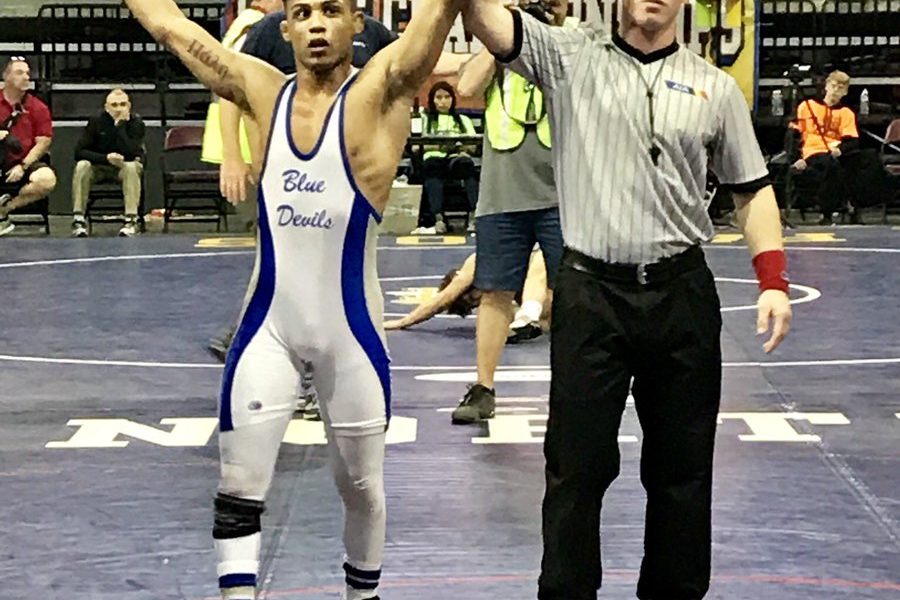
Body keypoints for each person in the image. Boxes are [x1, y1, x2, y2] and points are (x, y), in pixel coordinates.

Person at [122, 1, 463, 600]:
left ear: (357, 24)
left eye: (331, 10)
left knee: (361, 488)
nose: (317, 24)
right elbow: (172, 27)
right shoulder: (262, 90)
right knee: (238, 487)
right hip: (268, 327)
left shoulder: (381, 91)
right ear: (285, 30)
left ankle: (362, 596)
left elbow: (432, 25)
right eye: (302, 12)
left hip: (350, 334)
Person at [462, 0, 793, 598]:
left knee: (682, 471)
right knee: (575, 467)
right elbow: (488, 21)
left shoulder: (714, 87)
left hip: (680, 294)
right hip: (592, 294)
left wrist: (771, 279)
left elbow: (752, 190)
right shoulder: (567, 56)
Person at [447, 0, 575, 425]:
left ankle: (577, 387)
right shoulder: (497, 46)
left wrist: (551, 28)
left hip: (564, 193)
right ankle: (483, 387)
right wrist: (508, 28)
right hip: (503, 193)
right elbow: (467, 87)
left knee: (575, 293)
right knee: (495, 291)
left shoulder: (574, 40)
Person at [384, 249, 550, 343]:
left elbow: (444, 299)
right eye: (474, 304)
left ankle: (527, 316)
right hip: (553, 286)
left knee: (540, 261)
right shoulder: (507, 294)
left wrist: (404, 321)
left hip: (546, 259)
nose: (479, 300)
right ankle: (526, 319)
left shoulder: (474, 265)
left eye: (472, 298)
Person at [71, 89, 146, 237]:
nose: (119, 109)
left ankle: (131, 220)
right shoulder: (96, 121)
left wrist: (120, 126)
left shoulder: (136, 123)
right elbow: (79, 152)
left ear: (129, 106)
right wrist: (106, 158)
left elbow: (133, 152)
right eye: (114, 105)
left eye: (123, 104)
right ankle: (78, 219)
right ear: (106, 107)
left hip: (124, 167)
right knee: (82, 165)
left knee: (132, 167)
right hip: (100, 166)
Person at [789, 70, 860, 225]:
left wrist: (840, 149)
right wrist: (797, 158)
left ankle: (855, 206)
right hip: (811, 152)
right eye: (833, 86)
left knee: (865, 160)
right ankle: (829, 211)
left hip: (833, 152)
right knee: (830, 165)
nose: (836, 91)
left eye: (840, 88)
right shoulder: (807, 106)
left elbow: (852, 140)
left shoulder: (846, 113)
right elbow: (794, 136)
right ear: (826, 86)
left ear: (845, 92)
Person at [0, 57, 57, 237]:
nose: (26, 77)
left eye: (27, 73)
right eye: (19, 73)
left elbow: (43, 142)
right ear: (6, 76)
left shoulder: (38, 107)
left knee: (46, 179)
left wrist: (23, 166)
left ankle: (3, 209)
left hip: (23, 162)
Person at [417, 80, 479, 233]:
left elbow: (473, 146)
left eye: (447, 97)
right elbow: (416, 146)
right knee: (433, 166)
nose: (443, 101)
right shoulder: (424, 119)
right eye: (439, 97)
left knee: (466, 165)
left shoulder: (463, 120)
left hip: (456, 159)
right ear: (432, 100)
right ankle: (438, 219)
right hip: (433, 159)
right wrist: (441, 146)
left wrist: (457, 147)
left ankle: (474, 215)